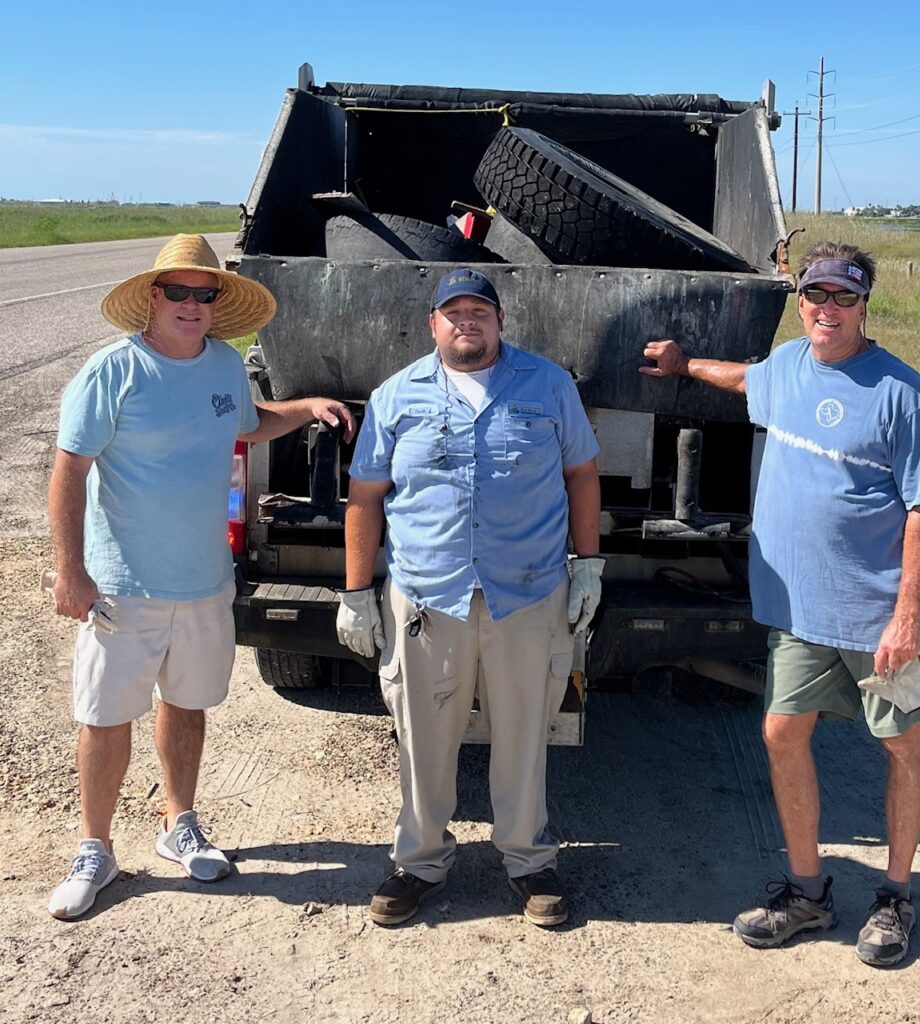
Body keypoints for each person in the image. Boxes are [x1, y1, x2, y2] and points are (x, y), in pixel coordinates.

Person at [640, 242, 920, 968]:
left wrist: (907, 616)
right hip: (801, 612)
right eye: (816, 296)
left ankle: (896, 894)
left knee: (902, 745)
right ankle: (809, 892)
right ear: (801, 299)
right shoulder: (787, 367)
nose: (827, 309)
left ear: (865, 303)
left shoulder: (904, 393)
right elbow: (744, 380)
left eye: (843, 297)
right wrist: (685, 366)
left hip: (879, 618)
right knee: (782, 734)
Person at [47, 234, 355, 920]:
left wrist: (305, 408)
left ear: (218, 304)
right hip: (123, 585)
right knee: (104, 717)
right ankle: (94, 848)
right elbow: (68, 471)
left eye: (204, 293)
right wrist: (72, 570)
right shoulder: (112, 370)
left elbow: (248, 425)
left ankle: (178, 823)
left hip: (205, 581)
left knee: (186, 707)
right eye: (178, 291)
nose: (191, 304)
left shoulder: (221, 365)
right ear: (152, 298)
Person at [338, 267, 602, 927]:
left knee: (523, 733)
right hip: (428, 596)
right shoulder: (396, 396)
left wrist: (591, 564)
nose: (467, 323)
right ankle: (419, 862)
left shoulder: (548, 386)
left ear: (500, 321)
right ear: (433, 325)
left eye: (479, 312)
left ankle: (529, 860)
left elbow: (581, 473)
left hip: (528, 593)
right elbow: (366, 498)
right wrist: (355, 593)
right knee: (423, 737)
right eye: (453, 313)